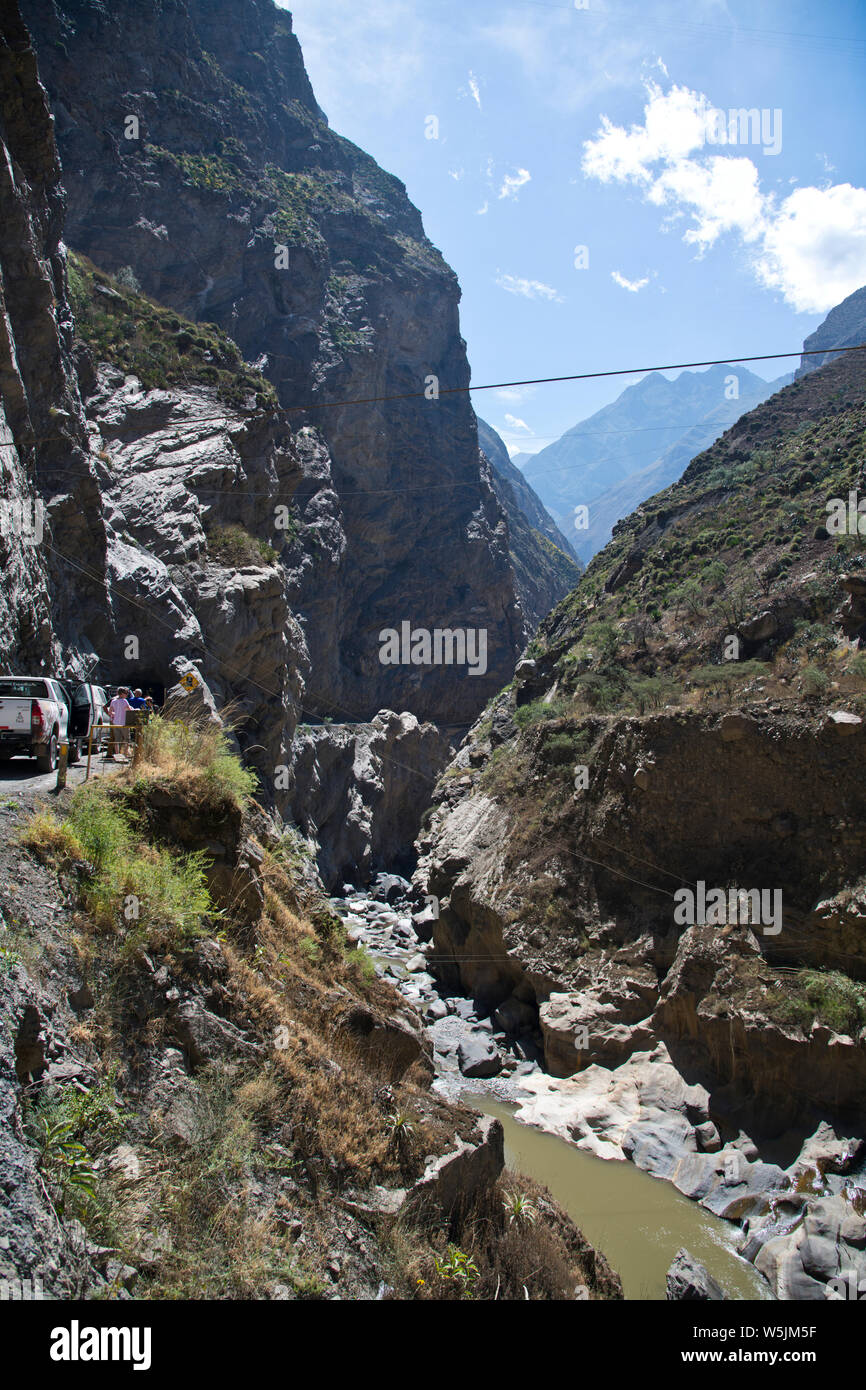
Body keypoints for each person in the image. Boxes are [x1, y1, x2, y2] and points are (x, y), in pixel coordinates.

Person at [106, 687, 133, 760]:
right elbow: (129, 710)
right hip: (124, 722)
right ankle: (125, 753)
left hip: (115, 722)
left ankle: (117, 754)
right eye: (126, 693)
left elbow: (110, 712)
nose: (127, 695)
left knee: (117, 739)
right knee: (126, 738)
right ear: (122, 694)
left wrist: (114, 715)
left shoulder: (113, 701)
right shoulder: (124, 701)